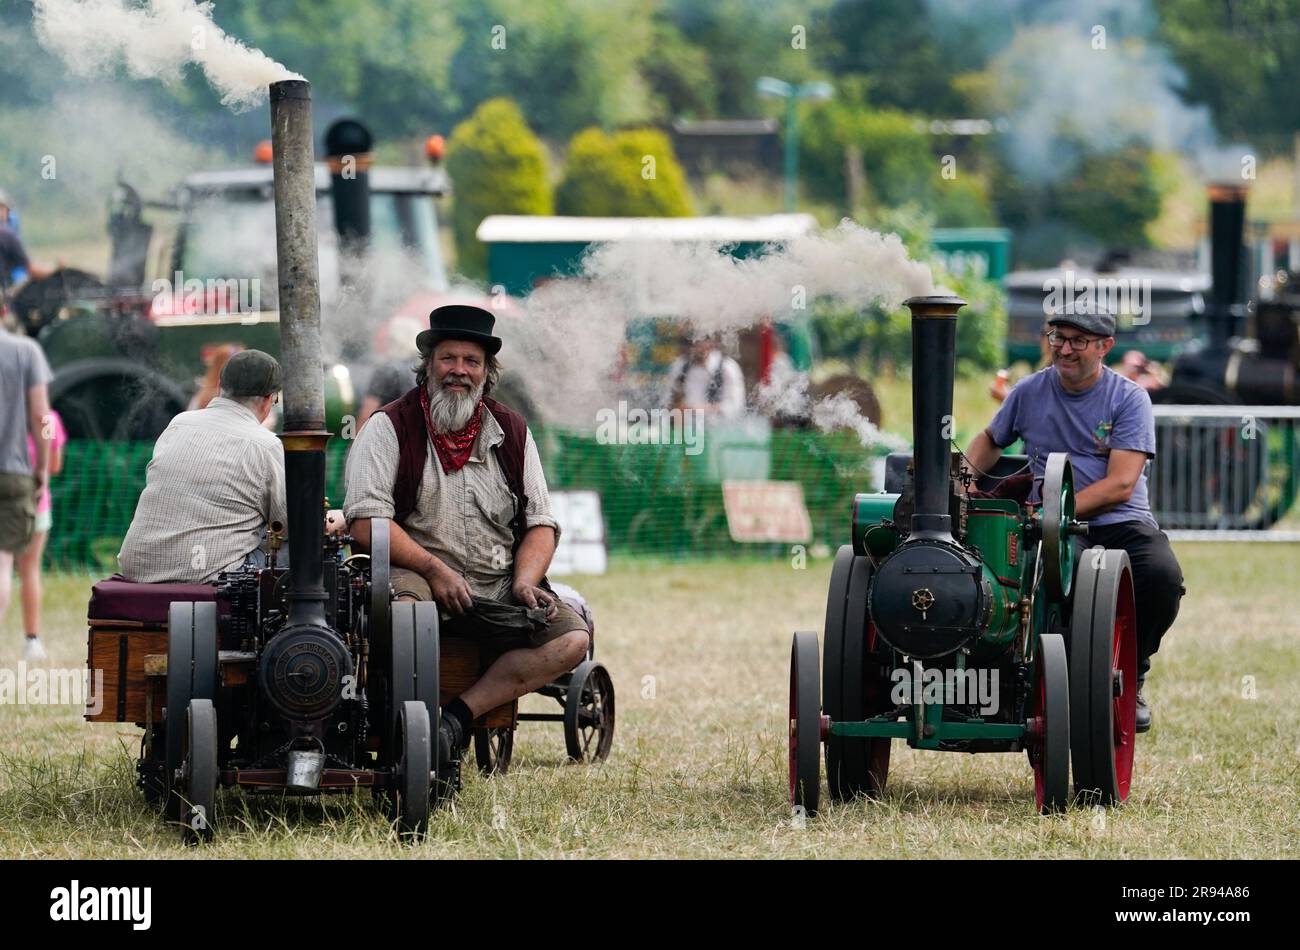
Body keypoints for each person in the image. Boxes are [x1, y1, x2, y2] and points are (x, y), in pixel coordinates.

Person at [343, 304, 590, 764]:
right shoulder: (388, 428)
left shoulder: (512, 431)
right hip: (415, 574)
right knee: (406, 615)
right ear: (428, 366)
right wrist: (433, 569)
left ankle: (455, 719)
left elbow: (540, 522)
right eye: (448, 359)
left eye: (471, 361)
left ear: (486, 372)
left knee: (571, 639)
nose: (459, 371)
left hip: (495, 585)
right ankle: (404, 736)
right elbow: (365, 522)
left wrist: (524, 582)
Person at [963, 309, 1184, 733]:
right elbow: (991, 440)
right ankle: (1046, 684)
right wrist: (964, 481)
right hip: (1051, 526)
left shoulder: (1129, 398)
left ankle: (1131, 673)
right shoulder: (1029, 392)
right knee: (1058, 586)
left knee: (1162, 577)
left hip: (1119, 521)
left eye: (1077, 341)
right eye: (1058, 337)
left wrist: (1053, 513)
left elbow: (1121, 484)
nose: (1064, 348)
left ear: (1104, 347)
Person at [118, 350, 288, 583]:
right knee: (312, 548)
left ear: (220, 386)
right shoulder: (266, 444)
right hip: (208, 576)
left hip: (139, 568)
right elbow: (289, 523)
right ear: (270, 399)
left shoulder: (178, 423)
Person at [0, 324, 53, 661]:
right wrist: (43, 467)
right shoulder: (25, 351)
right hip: (13, 473)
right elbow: (42, 416)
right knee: (3, 564)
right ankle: (31, 640)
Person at [5, 409, 67, 661]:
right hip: (37, 506)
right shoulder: (49, 420)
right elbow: (54, 465)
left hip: (5, 505)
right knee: (30, 570)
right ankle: (33, 641)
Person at [662, 333, 746, 418]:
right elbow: (668, 398)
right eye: (695, 344)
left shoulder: (728, 367)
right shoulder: (681, 364)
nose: (699, 348)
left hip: (717, 426)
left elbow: (735, 406)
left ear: (712, 344)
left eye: (704, 343)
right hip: (685, 425)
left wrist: (704, 409)